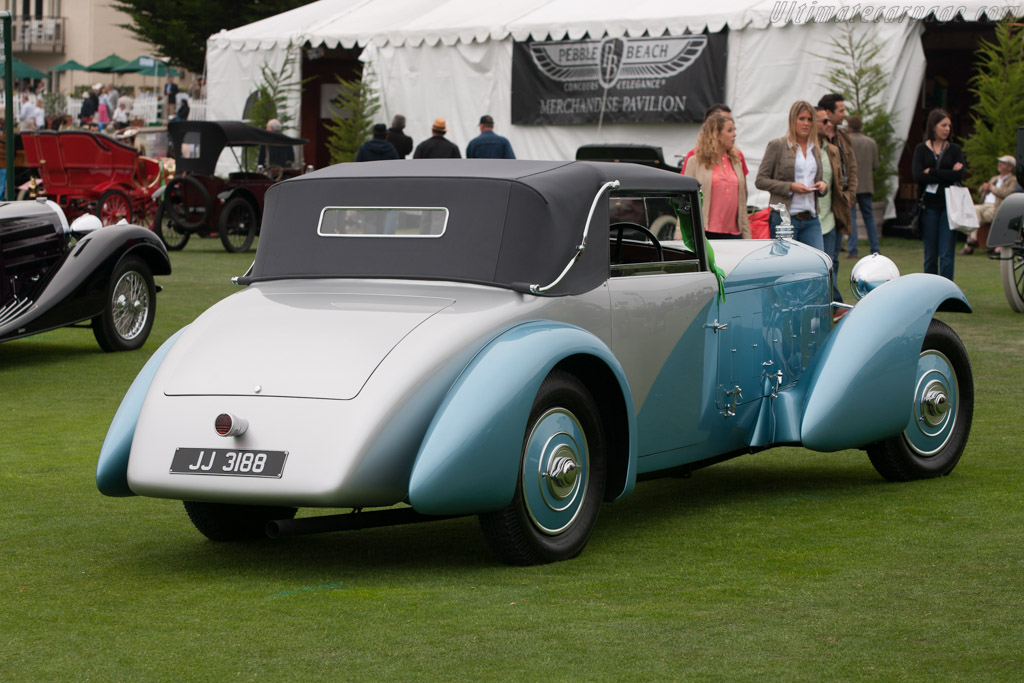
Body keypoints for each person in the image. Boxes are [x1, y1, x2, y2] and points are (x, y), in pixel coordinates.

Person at [755, 100, 827, 250]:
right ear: (792, 120)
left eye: (810, 119)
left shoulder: (815, 148)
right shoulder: (778, 145)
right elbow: (760, 181)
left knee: (818, 263)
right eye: (801, 119)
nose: (806, 123)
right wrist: (790, 187)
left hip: (811, 218)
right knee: (786, 266)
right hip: (785, 219)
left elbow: (817, 178)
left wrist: (822, 185)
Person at [911, 108, 965, 281]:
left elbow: (959, 175)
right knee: (931, 254)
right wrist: (947, 172)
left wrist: (932, 171)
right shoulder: (921, 149)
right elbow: (918, 175)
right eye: (943, 125)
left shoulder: (955, 149)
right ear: (933, 126)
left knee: (947, 253)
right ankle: (930, 291)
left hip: (950, 208)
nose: (947, 129)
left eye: (949, 125)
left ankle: (947, 293)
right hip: (928, 207)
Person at [683, 112, 750, 239]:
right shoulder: (695, 161)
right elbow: (684, 201)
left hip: (734, 234)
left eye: (734, 130)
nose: (734, 134)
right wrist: (680, 233)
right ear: (717, 135)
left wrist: (747, 235)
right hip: (705, 232)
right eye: (730, 130)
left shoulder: (736, 161)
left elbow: (742, 202)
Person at [815, 108, 851, 304]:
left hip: (830, 216)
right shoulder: (798, 151)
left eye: (829, 121)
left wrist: (848, 196)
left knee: (830, 264)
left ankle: (832, 304)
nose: (829, 124)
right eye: (824, 121)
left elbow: (845, 175)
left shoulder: (832, 150)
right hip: (808, 217)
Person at [817, 93, 858, 251]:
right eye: (841, 111)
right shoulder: (816, 140)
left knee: (834, 253)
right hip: (822, 200)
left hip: (841, 198)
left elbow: (852, 168)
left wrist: (850, 195)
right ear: (828, 112)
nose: (844, 114)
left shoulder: (844, 138)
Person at [962, 154, 1019, 255]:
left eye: (1003, 163)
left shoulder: (1013, 180)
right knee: (971, 212)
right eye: (1000, 162)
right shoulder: (994, 178)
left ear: (1010, 167)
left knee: (974, 213)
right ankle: (972, 240)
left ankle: (970, 243)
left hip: (997, 207)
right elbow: (980, 191)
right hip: (984, 206)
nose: (1000, 164)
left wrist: (993, 188)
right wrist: (984, 187)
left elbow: (1007, 194)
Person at [681, 103, 749, 176]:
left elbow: (743, 186)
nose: (730, 123)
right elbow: (685, 185)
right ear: (712, 127)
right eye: (723, 120)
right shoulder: (694, 155)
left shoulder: (737, 156)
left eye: (731, 121)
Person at [847, 114, 881, 256]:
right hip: (867, 185)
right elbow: (876, 165)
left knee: (852, 217)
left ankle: (853, 249)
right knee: (869, 217)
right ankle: (875, 249)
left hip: (851, 185)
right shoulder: (871, 142)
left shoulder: (847, 141)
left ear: (849, 126)